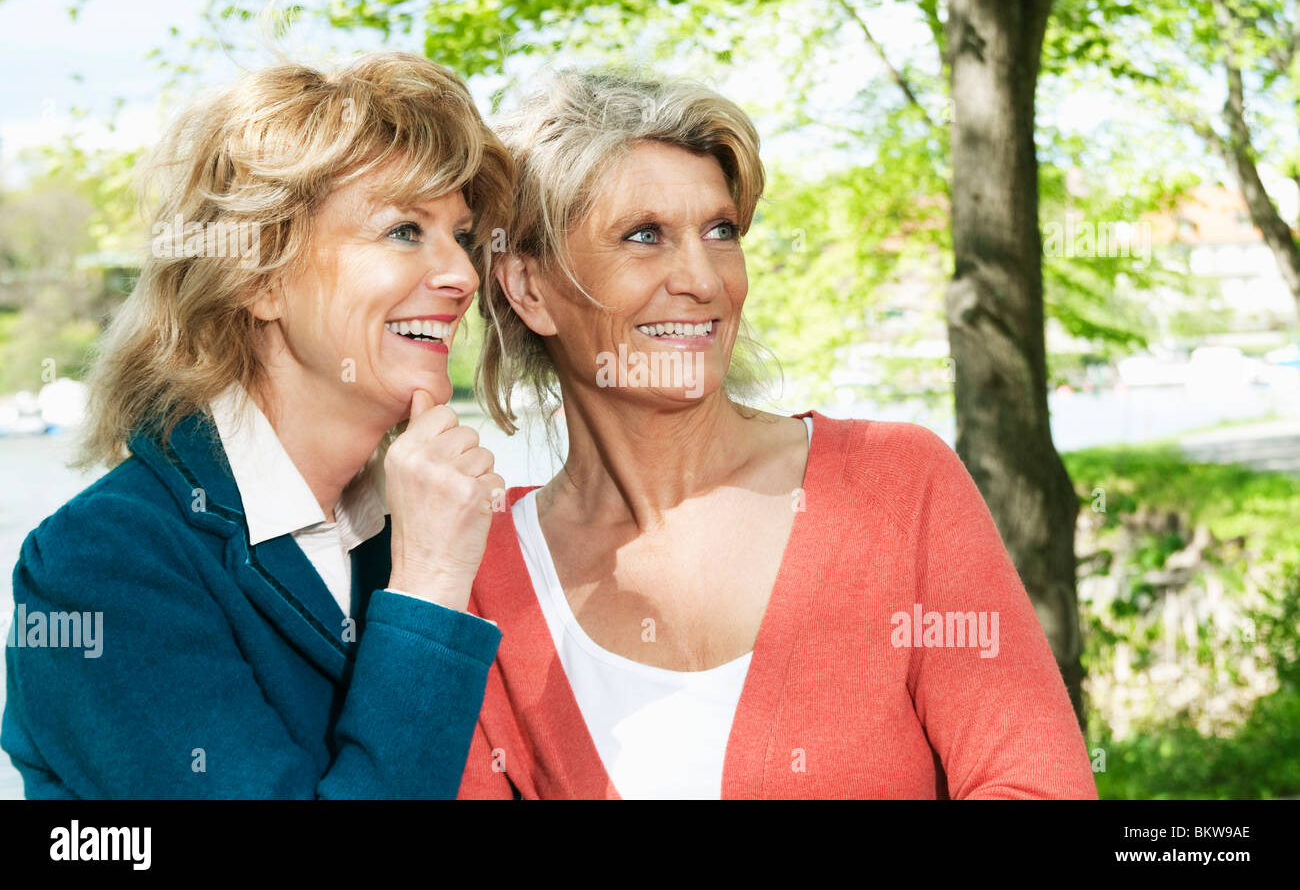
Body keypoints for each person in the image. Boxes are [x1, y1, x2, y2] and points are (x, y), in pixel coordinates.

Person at [455, 69, 1099, 799]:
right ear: (528, 288)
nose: (703, 278)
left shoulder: (894, 483)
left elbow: (1037, 786)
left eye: (720, 231)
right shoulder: (479, 570)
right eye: (645, 236)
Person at [2, 52, 512, 798]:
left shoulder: (414, 520)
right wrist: (432, 583)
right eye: (406, 230)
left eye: (460, 236)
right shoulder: (98, 565)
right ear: (258, 277)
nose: (462, 276)